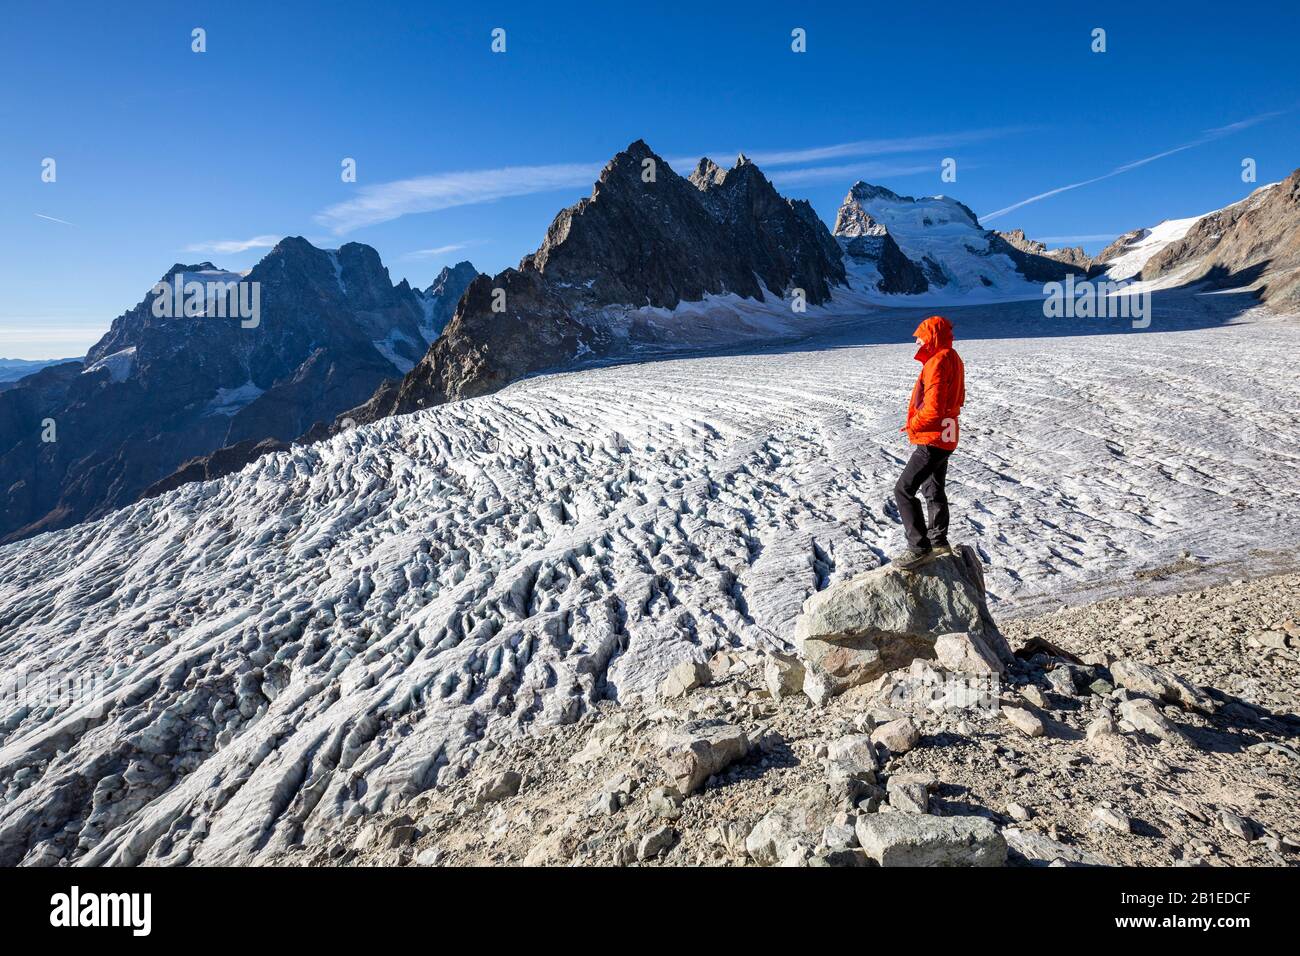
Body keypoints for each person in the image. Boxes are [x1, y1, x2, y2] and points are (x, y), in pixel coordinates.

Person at [893, 315, 965, 570]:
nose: (917, 342)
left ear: (931, 335)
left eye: (920, 336)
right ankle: (938, 542)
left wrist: (913, 424)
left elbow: (933, 409)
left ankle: (919, 547)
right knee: (933, 489)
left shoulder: (937, 361)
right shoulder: (953, 357)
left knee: (903, 490)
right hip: (948, 436)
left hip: (933, 437)